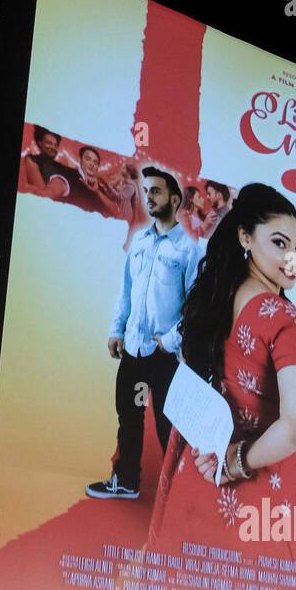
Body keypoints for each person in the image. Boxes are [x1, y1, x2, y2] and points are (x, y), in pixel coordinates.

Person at [147, 181, 296, 581]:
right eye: (279, 243)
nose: (291, 258)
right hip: (257, 496)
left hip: (195, 476)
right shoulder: (285, 319)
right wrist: (235, 463)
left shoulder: (213, 298)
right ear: (245, 236)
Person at [85, 166, 204, 500]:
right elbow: (127, 290)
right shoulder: (139, 242)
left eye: (156, 191)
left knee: (169, 428)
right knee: (129, 418)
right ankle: (126, 482)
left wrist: (169, 341)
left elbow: (196, 309)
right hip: (134, 351)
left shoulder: (189, 251)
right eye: (146, 190)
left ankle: (178, 496)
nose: (148, 196)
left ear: (175, 199)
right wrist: (116, 329)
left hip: (165, 357)